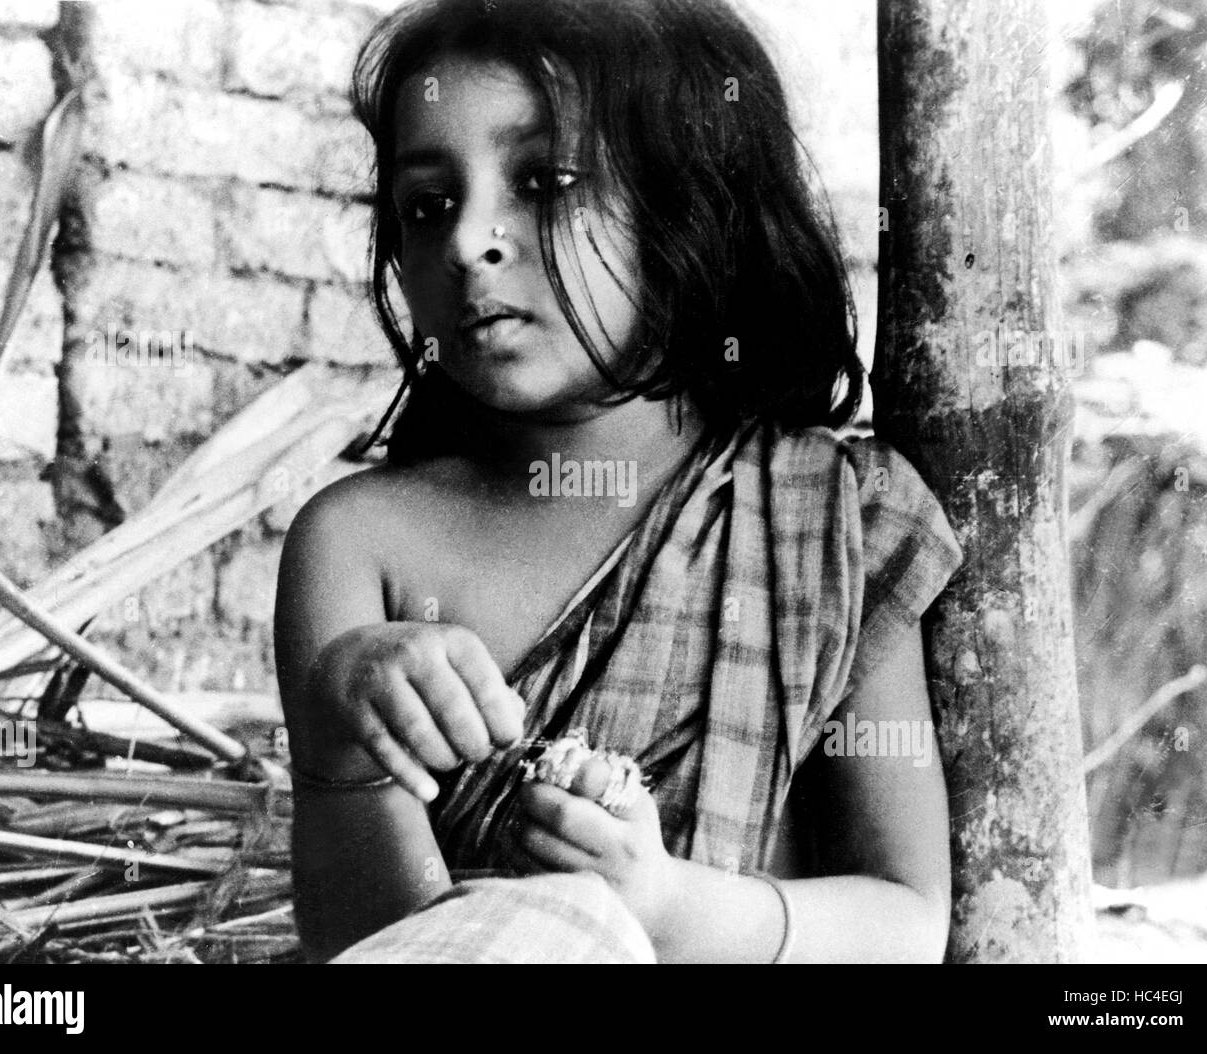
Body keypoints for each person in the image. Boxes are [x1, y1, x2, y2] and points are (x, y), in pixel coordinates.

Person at [274, 0, 964, 964]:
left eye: (544, 181)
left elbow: (906, 921)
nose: (468, 239)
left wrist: (662, 903)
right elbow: (373, 945)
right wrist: (341, 742)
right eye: (426, 205)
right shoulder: (356, 544)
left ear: (694, 203)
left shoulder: (831, 517)